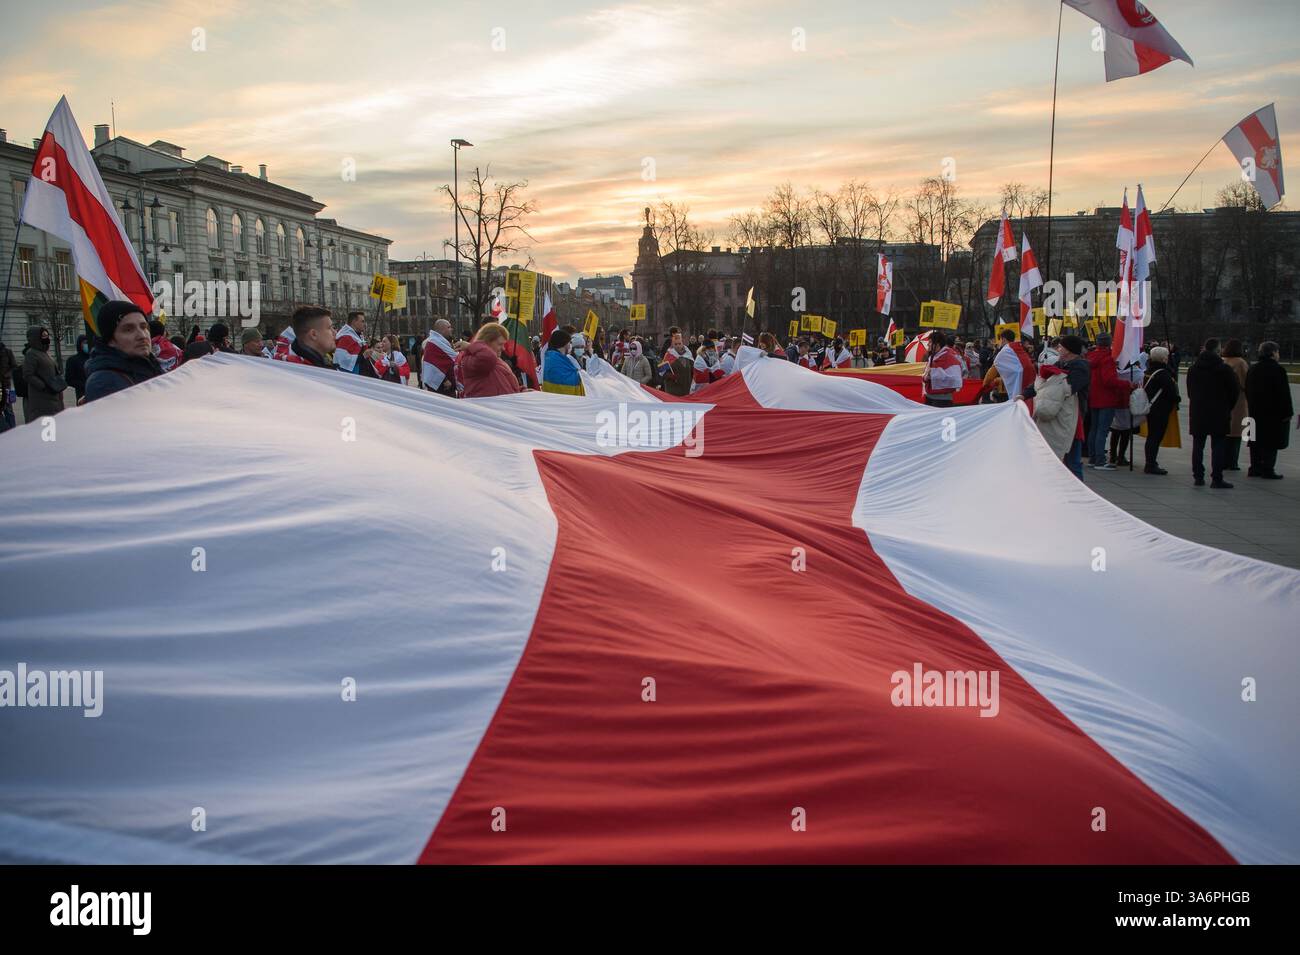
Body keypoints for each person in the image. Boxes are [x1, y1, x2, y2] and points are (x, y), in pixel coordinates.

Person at [83, 301, 164, 402]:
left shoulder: (154, 366)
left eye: (143, 327)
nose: (142, 336)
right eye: (129, 330)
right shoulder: (104, 382)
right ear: (110, 339)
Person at [1186, 338, 1239, 488]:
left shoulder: (1193, 369)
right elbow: (1234, 392)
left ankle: (1198, 476)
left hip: (1198, 411)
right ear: (1217, 350)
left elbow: (1190, 391)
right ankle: (1217, 478)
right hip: (1219, 412)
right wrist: (1228, 406)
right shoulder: (1224, 369)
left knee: (1198, 445)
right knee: (1218, 446)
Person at [1085, 334, 1133, 470]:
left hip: (1094, 396)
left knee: (1094, 429)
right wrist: (1127, 384)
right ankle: (1100, 460)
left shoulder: (1091, 357)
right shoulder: (1107, 359)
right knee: (1102, 430)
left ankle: (1093, 458)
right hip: (1106, 398)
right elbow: (1109, 380)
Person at [1245, 341, 1292, 480]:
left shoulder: (1253, 369)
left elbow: (1247, 389)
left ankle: (1255, 467)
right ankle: (1268, 468)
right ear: (1273, 353)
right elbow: (1284, 393)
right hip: (1273, 413)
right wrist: (1287, 412)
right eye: (1277, 352)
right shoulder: (1278, 370)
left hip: (1254, 410)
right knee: (1271, 442)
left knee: (1254, 441)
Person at [1055, 335, 1091, 480]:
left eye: (1061, 346)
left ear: (1068, 350)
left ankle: (1079, 492)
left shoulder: (1080, 367)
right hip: (1061, 415)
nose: (1058, 349)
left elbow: (1069, 389)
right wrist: (1024, 394)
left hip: (1073, 417)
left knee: (1073, 460)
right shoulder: (1060, 364)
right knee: (1064, 458)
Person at [1029, 355, 1077, 461]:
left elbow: (1044, 411)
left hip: (1049, 428)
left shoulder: (1046, 383)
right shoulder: (1062, 383)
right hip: (1059, 427)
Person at [1140, 346, 1180, 475]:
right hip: (1160, 408)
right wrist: (1177, 398)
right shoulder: (1163, 373)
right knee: (1155, 436)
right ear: (1164, 358)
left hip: (1151, 407)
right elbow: (1171, 391)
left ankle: (1150, 462)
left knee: (1152, 436)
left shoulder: (1149, 370)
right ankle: (1150, 464)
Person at [21, 326, 65, 423]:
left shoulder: (45, 353)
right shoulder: (31, 354)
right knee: (45, 425)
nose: (47, 338)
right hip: (41, 398)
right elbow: (27, 374)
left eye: (47, 335)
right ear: (36, 338)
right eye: (44, 336)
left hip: (53, 394)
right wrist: (43, 386)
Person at [1221, 339, 1249, 472]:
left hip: (1224, 400)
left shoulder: (1223, 360)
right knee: (1236, 434)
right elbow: (1246, 382)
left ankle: (1223, 460)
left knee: (1225, 433)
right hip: (1238, 401)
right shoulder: (1240, 363)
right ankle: (1233, 461)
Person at [921, 331, 964, 407]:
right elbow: (925, 376)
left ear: (937, 344)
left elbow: (955, 379)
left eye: (930, 342)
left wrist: (933, 374)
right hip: (929, 397)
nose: (928, 344)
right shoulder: (932, 357)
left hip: (942, 400)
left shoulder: (950, 357)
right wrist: (926, 376)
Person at [992, 329, 1034, 403]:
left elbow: (994, 366)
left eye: (1001, 339)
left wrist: (985, 384)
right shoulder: (1019, 347)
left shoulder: (1005, 350)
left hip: (1018, 382)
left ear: (1004, 339)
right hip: (1029, 380)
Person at [541, 328, 585, 396]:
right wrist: (580, 376)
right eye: (569, 342)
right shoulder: (555, 359)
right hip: (560, 400)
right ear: (564, 343)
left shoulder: (554, 357)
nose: (570, 345)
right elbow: (564, 379)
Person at [421, 319, 458, 396]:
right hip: (441, 388)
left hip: (449, 388)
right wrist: (444, 380)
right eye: (449, 327)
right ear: (442, 329)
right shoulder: (433, 343)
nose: (451, 329)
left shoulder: (442, 342)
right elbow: (432, 365)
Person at [658, 327, 693, 397]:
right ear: (672, 344)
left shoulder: (688, 354)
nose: (678, 346)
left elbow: (692, 369)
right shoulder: (669, 355)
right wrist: (671, 376)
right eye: (675, 344)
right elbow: (662, 371)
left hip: (686, 389)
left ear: (682, 343)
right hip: (672, 389)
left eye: (679, 344)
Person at [64, 334, 92, 403]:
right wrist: (84, 384)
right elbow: (69, 380)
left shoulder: (93, 358)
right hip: (82, 394)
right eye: (85, 343)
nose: (87, 345)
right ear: (79, 344)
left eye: (88, 342)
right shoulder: (73, 360)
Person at [0, 341, 17, 432]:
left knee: (8, 409)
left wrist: (7, 375)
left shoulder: (7, 352)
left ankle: (12, 430)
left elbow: (14, 367)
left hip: (5, 385)